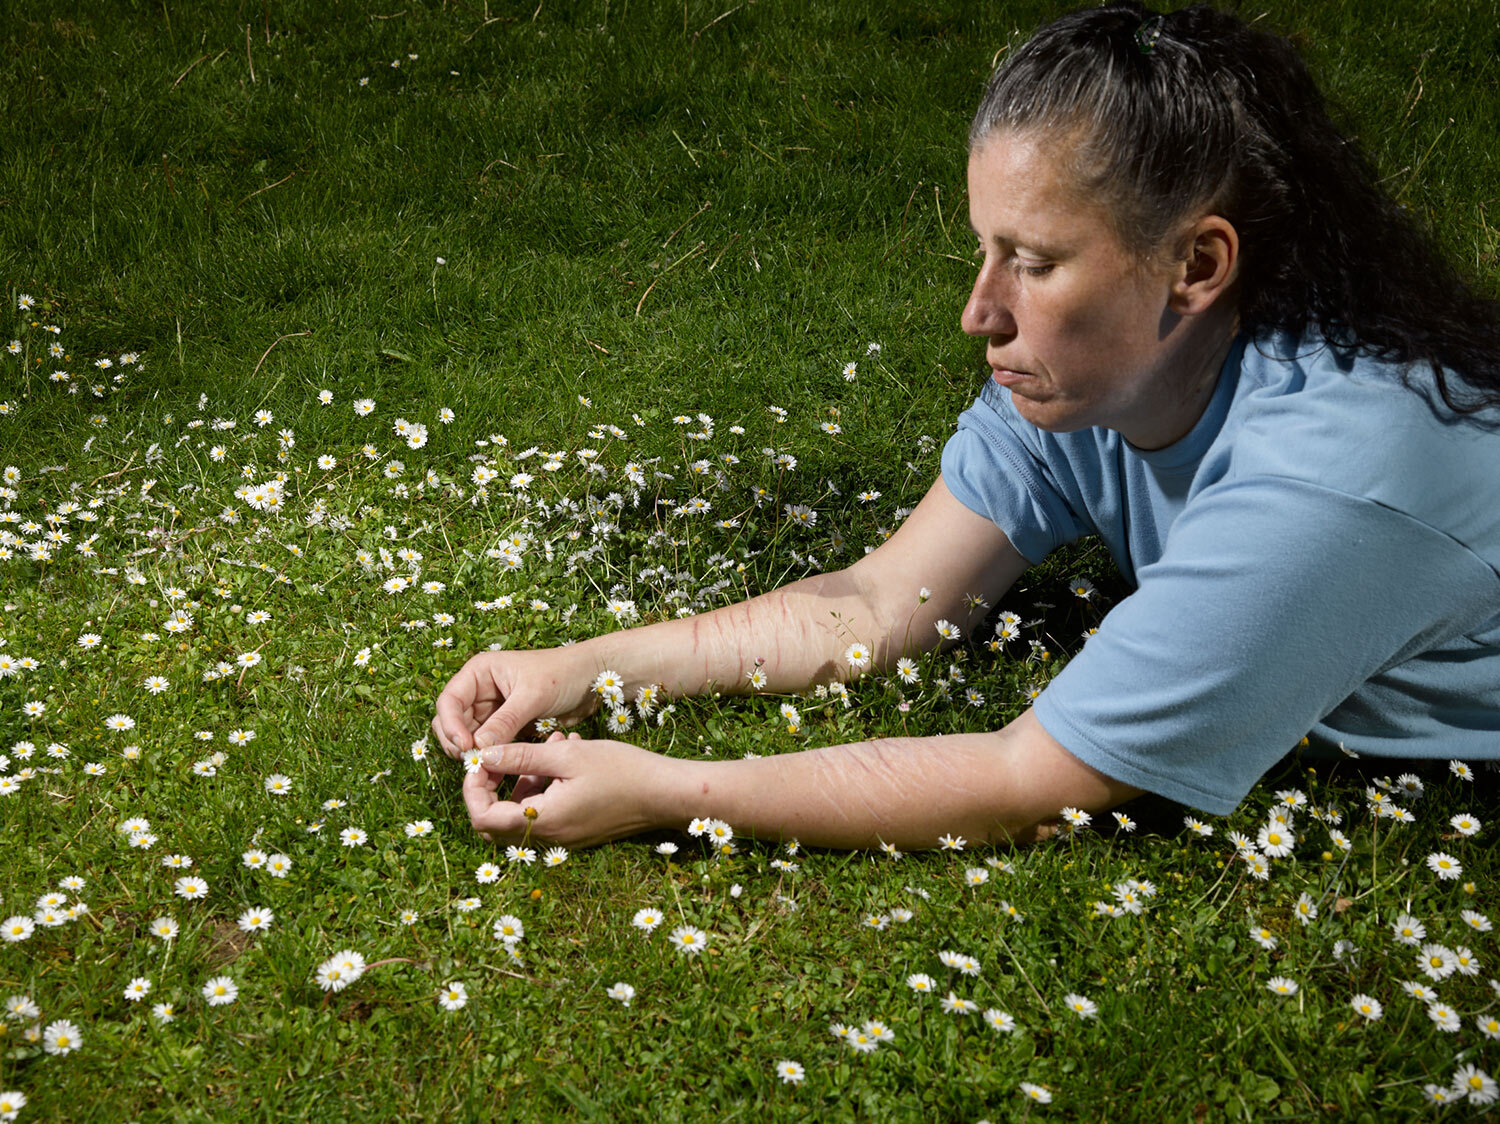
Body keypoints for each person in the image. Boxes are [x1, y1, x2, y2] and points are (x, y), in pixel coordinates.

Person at [433, 1, 1500, 850]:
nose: (979, 312)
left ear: (1198, 266)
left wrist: (668, 790)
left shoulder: (1325, 482)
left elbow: (1023, 781)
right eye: (987, 249)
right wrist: (582, 665)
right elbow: (879, 601)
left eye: (1034, 263)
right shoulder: (1083, 375)